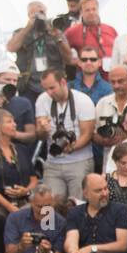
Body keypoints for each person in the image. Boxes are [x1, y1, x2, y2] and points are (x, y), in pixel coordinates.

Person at [34, 68, 96, 204]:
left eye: (52, 88)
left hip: (80, 161)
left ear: (63, 82)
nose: (49, 93)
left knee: (78, 205)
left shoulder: (83, 100)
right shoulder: (42, 100)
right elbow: (39, 135)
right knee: (49, 205)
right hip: (53, 162)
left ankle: (76, 226)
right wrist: (44, 129)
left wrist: (72, 147)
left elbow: (87, 134)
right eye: (46, 89)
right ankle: (47, 226)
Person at [7, 1, 75, 102]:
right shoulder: (21, 32)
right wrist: (29, 26)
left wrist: (57, 36)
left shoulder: (54, 32)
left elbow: (69, 59)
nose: (40, 16)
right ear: (29, 15)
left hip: (53, 84)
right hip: (28, 85)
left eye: (42, 13)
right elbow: (11, 48)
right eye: (36, 13)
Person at [0, 109, 36, 217]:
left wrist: (26, 191)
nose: (15, 125)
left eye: (14, 121)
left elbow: (34, 180)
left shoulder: (22, 150)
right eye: (9, 122)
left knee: (44, 210)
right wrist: (10, 207)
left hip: (25, 203)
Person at [63, 0, 117, 75]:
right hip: (87, 80)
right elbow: (61, 52)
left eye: (94, 9)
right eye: (87, 10)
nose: (91, 12)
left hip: (111, 78)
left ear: (98, 10)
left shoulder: (111, 30)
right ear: (81, 12)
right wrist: (77, 62)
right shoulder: (73, 32)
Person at [72, 44, 113, 113]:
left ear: (99, 62)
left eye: (93, 59)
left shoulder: (109, 89)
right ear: (79, 62)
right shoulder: (70, 88)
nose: (88, 62)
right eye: (84, 60)